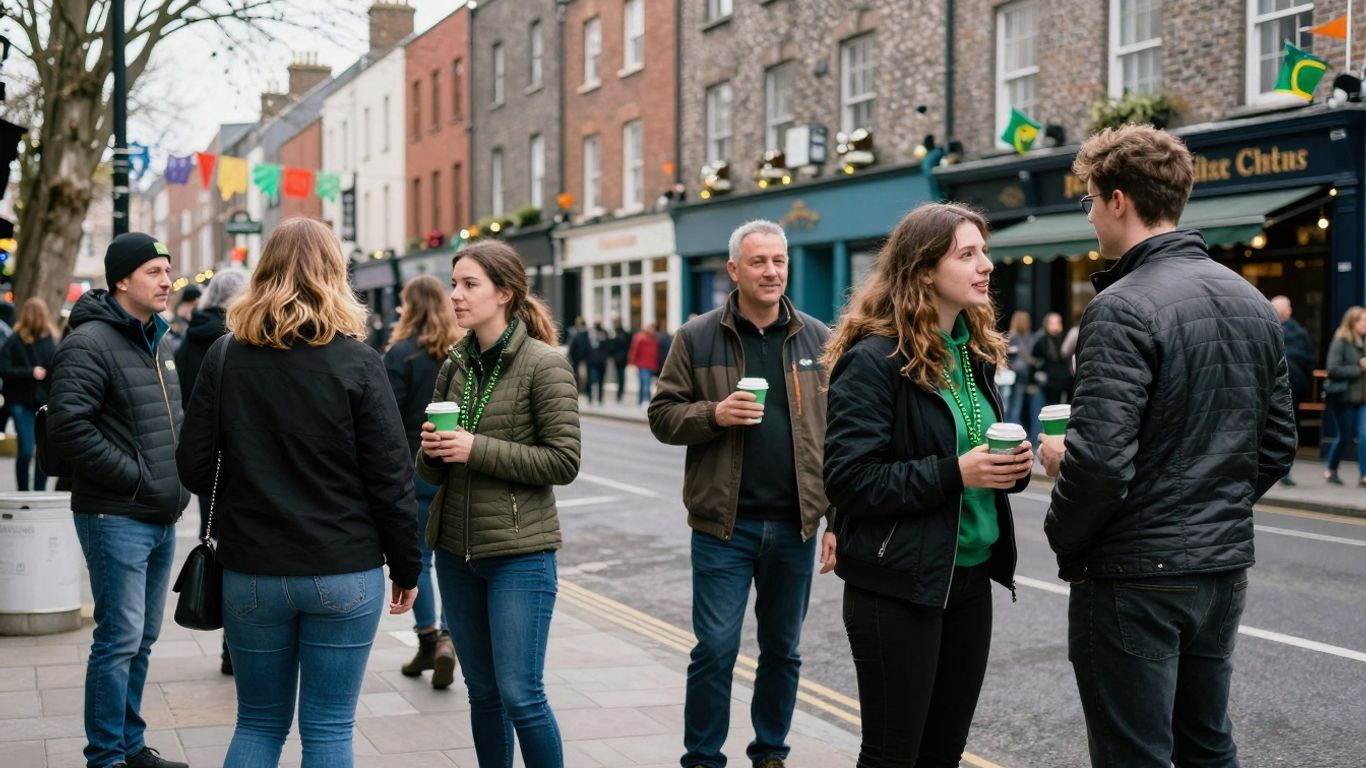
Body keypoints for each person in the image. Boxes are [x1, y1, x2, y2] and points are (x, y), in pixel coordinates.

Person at [1039, 125, 1296, 767]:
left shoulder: (1120, 306)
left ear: (1119, 200)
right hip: (1221, 568)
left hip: (1132, 575)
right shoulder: (1253, 302)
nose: (1090, 214)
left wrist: (1065, 535)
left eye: (1090, 199)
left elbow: (1098, 463)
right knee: (1208, 745)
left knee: (1135, 755)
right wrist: (1208, 505)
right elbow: (1278, 445)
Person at [176, 218, 421, 767]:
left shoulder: (225, 356)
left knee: (259, 724)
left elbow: (192, 467)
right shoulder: (360, 361)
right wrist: (407, 568)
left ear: (264, 273)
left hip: (253, 570)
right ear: (336, 274)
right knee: (329, 730)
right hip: (343, 568)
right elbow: (390, 478)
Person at [822, 202, 1033, 766]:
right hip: (897, 585)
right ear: (922, 270)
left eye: (984, 251)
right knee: (894, 755)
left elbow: (970, 454)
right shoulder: (873, 359)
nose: (985, 264)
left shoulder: (973, 352)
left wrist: (1011, 469)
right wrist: (956, 472)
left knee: (944, 753)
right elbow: (848, 479)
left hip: (968, 580)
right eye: (967, 254)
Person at [648, 219, 837, 768]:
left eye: (779, 260)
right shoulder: (697, 336)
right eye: (759, 261)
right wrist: (715, 413)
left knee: (783, 652)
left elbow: (839, 434)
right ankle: (704, 758)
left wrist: (838, 520)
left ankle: (770, 752)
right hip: (723, 528)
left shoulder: (817, 338)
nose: (772, 271)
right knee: (715, 650)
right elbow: (662, 416)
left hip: (796, 526)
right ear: (734, 270)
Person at [416, 240, 580, 768]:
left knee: (520, 696)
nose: (455, 296)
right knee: (482, 694)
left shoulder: (543, 365)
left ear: (505, 293)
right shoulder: (456, 364)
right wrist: (432, 451)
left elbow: (563, 462)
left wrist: (473, 447)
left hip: (519, 554)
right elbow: (429, 472)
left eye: (469, 285)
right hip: (456, 553)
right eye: (454, 283)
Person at [48, 232, 192, 768]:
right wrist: (136, 479)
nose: (166, 281)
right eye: (154, 271)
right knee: (118, 639)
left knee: (143, 637)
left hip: (158, 514)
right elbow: (69, 428)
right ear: (121, 281)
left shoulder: (160, 340)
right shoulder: (89, 343)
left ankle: (131, 746)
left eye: (168, 270)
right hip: (115, 514)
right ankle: (105, 756)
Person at [385, 274, 461, 688]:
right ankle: (449, 637)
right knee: (452, 557)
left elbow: (388, 422)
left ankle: (428, 639)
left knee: (419, 559)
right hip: (459, 467)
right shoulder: (463, 354)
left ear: (411, 307)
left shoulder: (400, 355)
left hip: (416, 471)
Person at [0, 297, 60, 491]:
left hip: (43, 403)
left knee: (42, 450)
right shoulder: (15, 341)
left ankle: (39, 491)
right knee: (26, 449)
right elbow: (5, 369)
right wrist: (30, 373)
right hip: (21, 401)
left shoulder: (49, 340)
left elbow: (56, 370)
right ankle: (24, 491)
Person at [1272, 295, 1315, 486]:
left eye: (1279, 311)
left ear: (1288, 311)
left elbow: (1308, 361)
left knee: (1287, 428)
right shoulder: (1268, 327)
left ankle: (1284, 469)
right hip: (1270, 387)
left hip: (1292, 388)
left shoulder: (1299, 333)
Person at [1322, 306, 1366, 486]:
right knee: (1345, 437)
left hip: (1363, 398)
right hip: (1344, 398)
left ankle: (1364, 475)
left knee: (1365, 435)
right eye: (1362, 320)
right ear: (1352, 322)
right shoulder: (1340, 341)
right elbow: (1333, 368)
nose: (1365, 324)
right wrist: (1359, 367)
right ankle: (1331, 469)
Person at [1031, 312, 1072, 405]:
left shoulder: (1065, 339)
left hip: (1063, 380)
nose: (1056, 326)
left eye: (1058, 323)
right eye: (1053, 323)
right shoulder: (1041, 341)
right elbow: (1034, 361)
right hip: (1048, 382)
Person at [1004, 311, 1032, 425]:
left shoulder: (1011, 336)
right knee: (1015, 405)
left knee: (1008, 404)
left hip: (1012, 373)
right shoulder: (1027, 338)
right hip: (1019, 374)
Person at [628, 323, 661, 406]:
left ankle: (642, 401)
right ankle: (645, 401)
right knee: (645, 383)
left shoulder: (654, 339)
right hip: (642, 365)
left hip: (651, 365)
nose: (652, 330)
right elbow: (634, 350)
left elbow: (655, 353)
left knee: (645, 384)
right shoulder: (640, 337)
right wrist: (632, 363)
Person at [608, 317, 631, 402]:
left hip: (620, 358)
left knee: (620, 376)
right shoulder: (620, 333)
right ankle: (620, 392)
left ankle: (620, 393)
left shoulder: (618, 334)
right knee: (620, 376)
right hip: (620, 358)